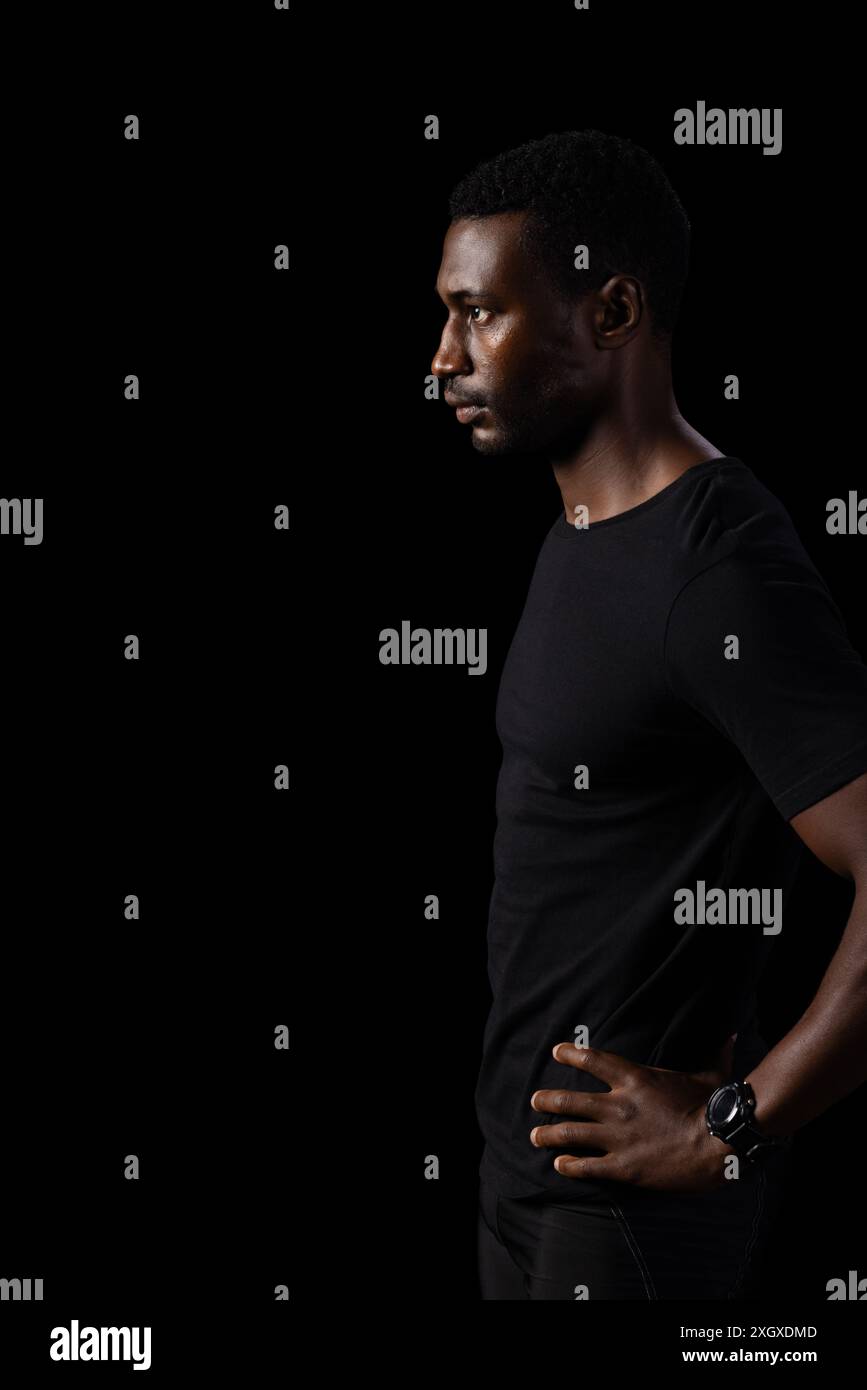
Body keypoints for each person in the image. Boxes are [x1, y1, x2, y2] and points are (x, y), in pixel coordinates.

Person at [430, 129, 867, 1300]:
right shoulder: (581, 532)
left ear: (612, 314)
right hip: (521, 1186)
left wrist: (732, 1123)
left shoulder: (718, 571)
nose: (441, 358)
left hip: (626, 1224)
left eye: (480, 316)